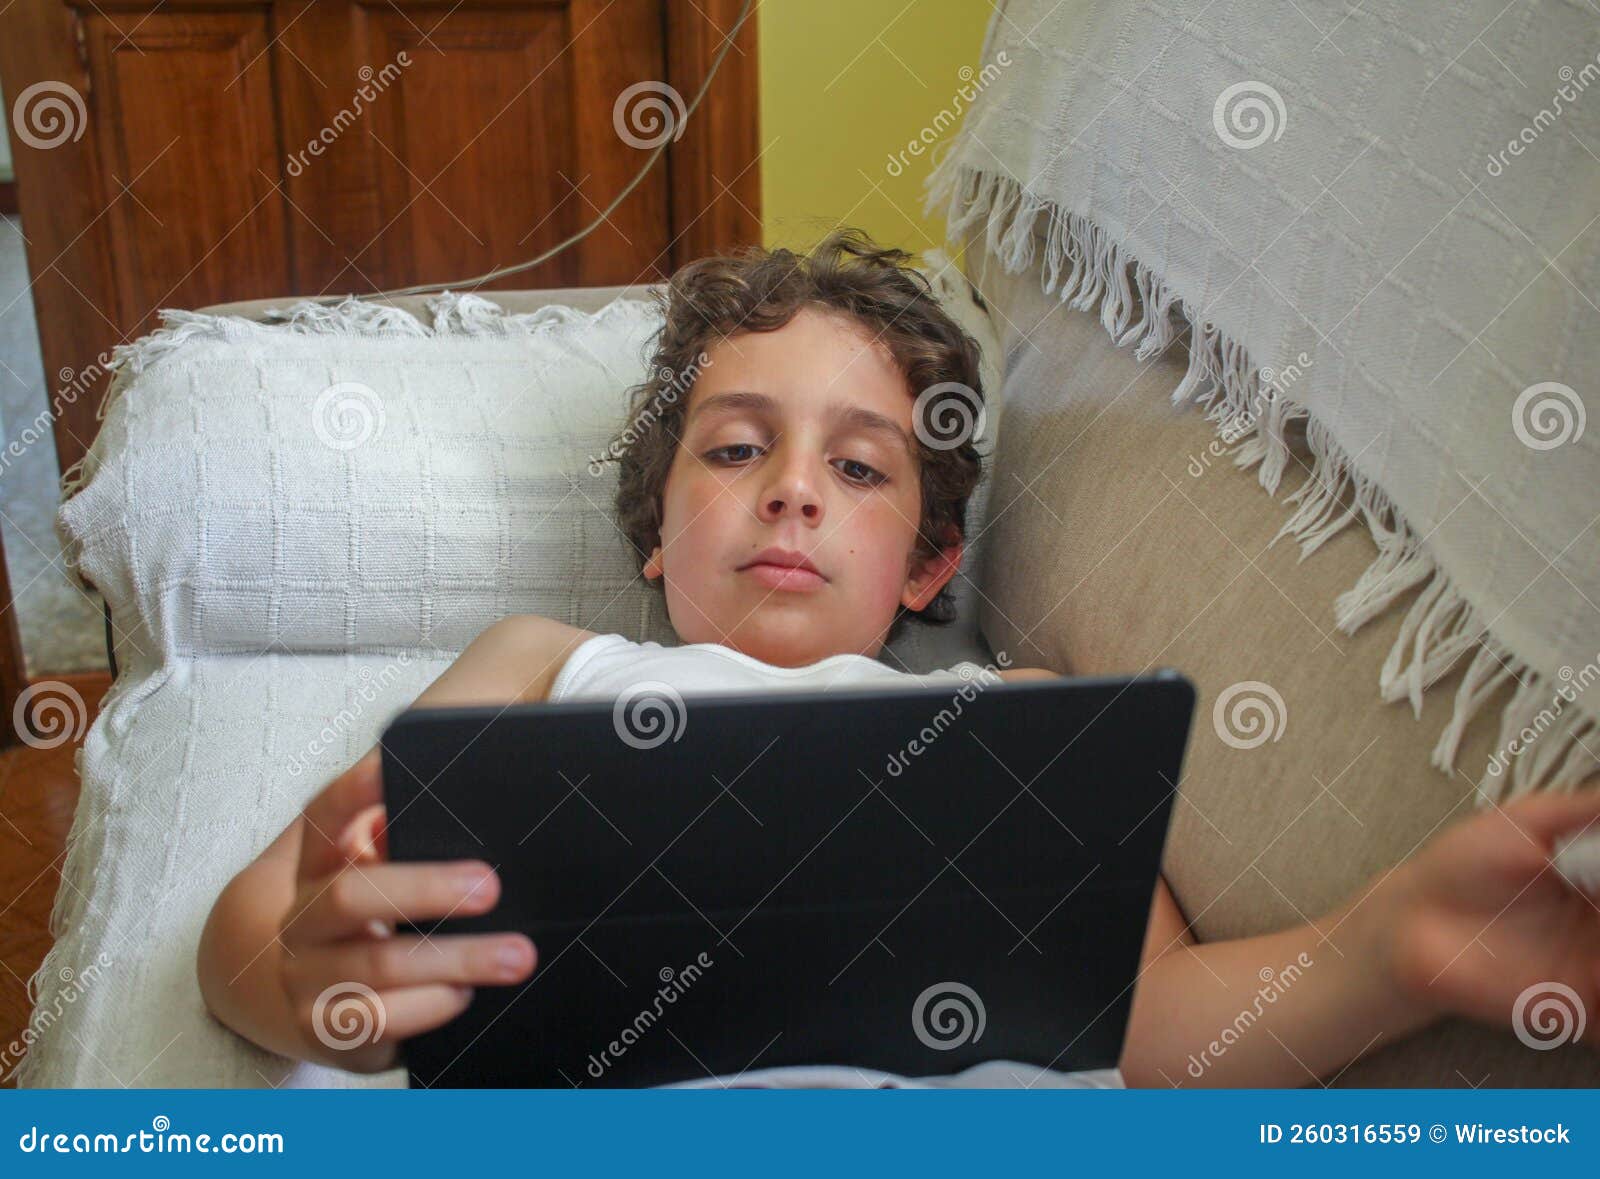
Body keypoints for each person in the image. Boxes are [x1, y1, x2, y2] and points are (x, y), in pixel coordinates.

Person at [196, 229, 1600, 1086]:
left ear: (930, 564)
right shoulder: (542, 666)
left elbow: (1155, 1042)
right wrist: (318, 986)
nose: (794, 489)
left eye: (861, 469)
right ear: (655, 535)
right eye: (737, 449)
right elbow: (248, 941)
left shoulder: (1015, 720)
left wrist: (1394, 947)